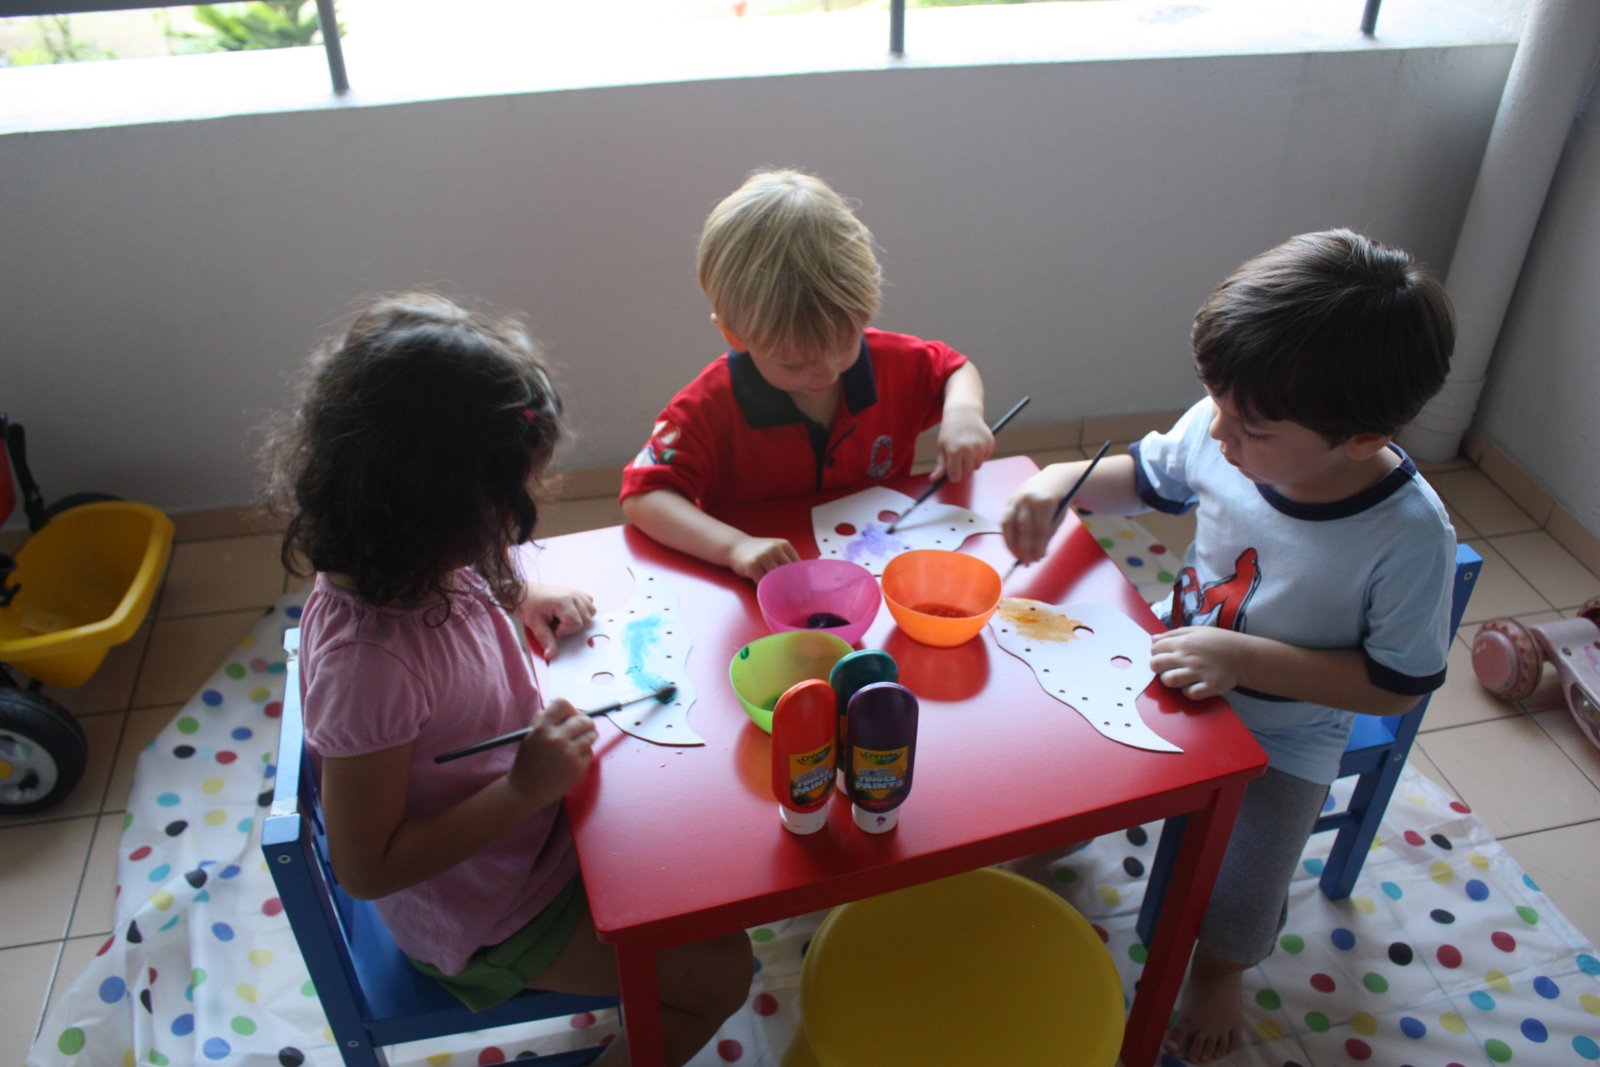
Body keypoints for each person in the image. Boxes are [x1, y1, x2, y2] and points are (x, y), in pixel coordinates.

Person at [262, 294, 753, 1067]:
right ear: (438, 511)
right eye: (505, 511)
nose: (512, 528)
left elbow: (474, 578)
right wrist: (523, 789)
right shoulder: (367, 665)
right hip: (487, 908)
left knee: (709, 830)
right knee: (722, 972)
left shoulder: (411, 554)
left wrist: (521, 592)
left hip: (536, 818)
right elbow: (364, 866)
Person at [1001, 230, 1457, 1063]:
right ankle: (1046, 848)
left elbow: (1395, 685)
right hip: (1169, 667)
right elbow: (1145, 476)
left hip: (1287, 733)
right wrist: (1049, 481)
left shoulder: (1408, 537)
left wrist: (1243, 660)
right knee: (1053, 767)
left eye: (1249, 426)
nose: (1220, 432)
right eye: (1215, 402)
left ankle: (1219, 971)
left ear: (1359, 437)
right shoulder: (1230, 423)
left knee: (1242, 894)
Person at [620, 167, 994, 580]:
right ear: (734, 334)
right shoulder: (705, 408)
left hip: (874, 575)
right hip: (762, 587)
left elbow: (954, 369)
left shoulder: (890, 361)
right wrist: (734, 546)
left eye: (844, 344)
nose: (827, 371)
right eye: (793, 363)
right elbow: (644, 496)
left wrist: (964, 413)